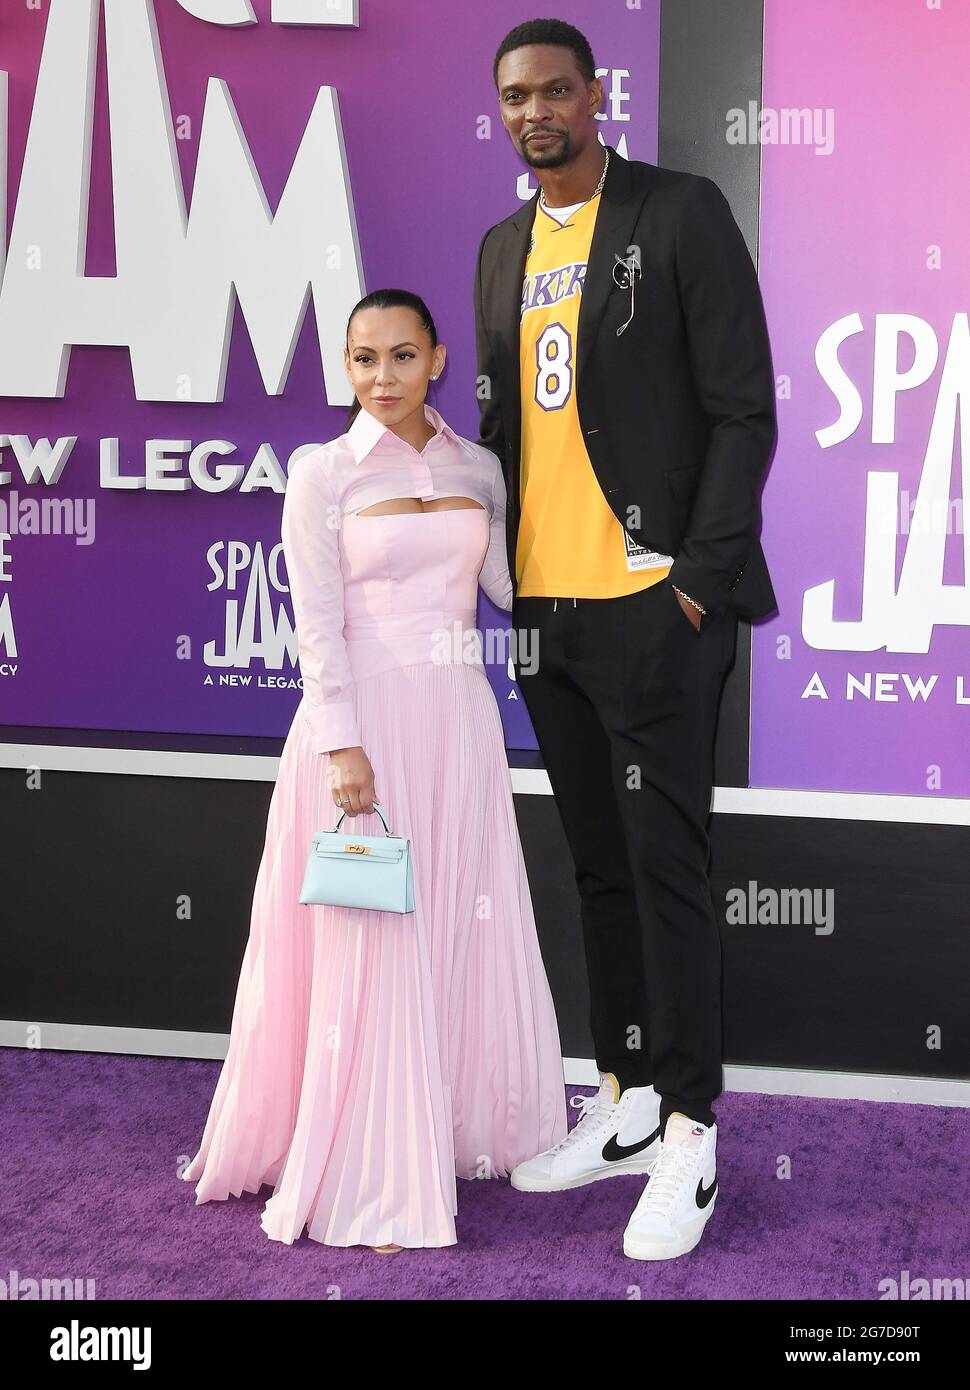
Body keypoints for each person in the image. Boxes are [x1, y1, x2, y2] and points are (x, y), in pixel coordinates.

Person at [474, 18, 777, 1260]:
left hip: (654, 610)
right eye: (513, 96)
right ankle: (629, 1097)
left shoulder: (679, 211)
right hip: (546, 618)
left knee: (665, 869)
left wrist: (694, 583)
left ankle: (695, 1130)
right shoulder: (501, 247)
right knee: (598, 864)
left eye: (555, 88)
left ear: (597, 96)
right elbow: (509, 430)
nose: (535, 110)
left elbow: (742, 406)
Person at [180, 288, 567, 1251]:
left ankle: (454, 1131)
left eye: (401, 357)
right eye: (363, 359)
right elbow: (316, 623)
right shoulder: (322, 473)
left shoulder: (477, 466)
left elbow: (511, 589)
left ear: (436, 359)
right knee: (373, 938)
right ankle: (373, 1173)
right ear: (346, 367)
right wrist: (342, 742)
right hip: (361, 730)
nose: (382, 378)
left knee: (454, 913)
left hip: (459, 723)